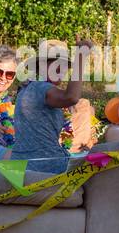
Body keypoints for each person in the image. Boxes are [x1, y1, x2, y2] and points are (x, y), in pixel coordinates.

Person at [9, 37, 95, 174]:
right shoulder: (40, 88)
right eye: (55, 63)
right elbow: (71, 97)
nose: (61, 68)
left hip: (25, 164)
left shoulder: (30, 87)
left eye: (65, 65)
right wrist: (81, 56)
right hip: (44, 166)